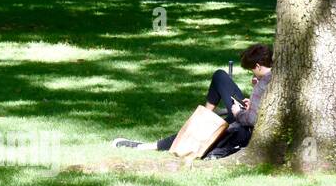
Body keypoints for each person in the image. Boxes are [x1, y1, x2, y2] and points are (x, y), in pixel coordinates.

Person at [112, 44, 274, 157]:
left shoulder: (262, 85)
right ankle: (203, 118)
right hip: (247, 121)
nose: (252, 73)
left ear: (258, 66)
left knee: (219, 78)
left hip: (245, 129)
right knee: (220, 76)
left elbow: (252, 119)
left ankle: (150, 146)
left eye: (252, 70)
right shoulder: (273, 77)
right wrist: (252, 100)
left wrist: (238, 112)